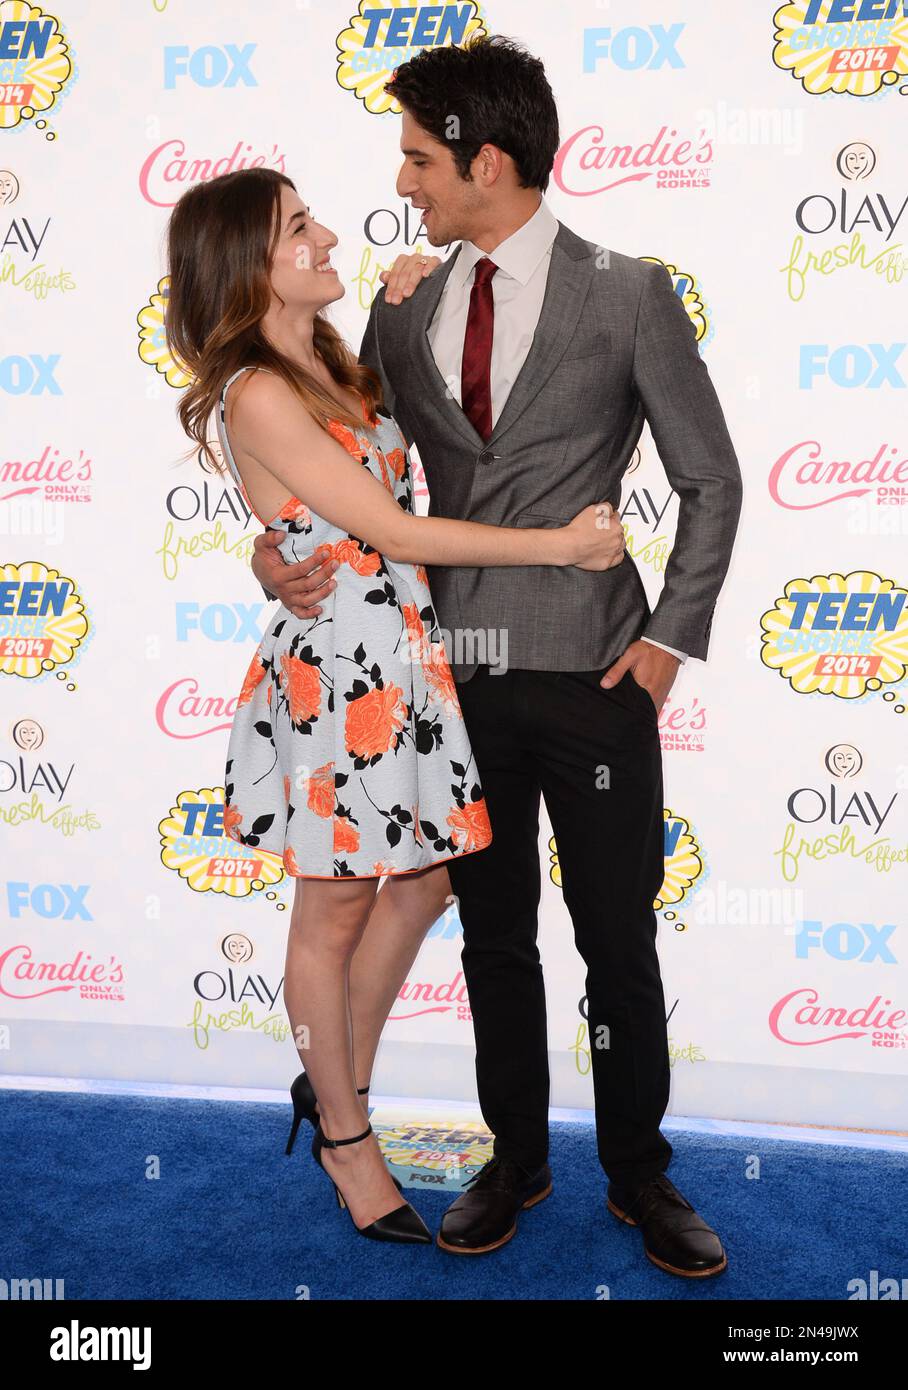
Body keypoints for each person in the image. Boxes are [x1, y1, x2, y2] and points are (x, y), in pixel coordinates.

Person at [253, 35, 743, 1276]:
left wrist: (667, 642)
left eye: (419, 158)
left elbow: (708, 479)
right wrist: (271, 558)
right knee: (490, 940)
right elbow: (347, 478)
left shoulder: (628, 290)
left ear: (487, 157)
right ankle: (512, 1160)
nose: (402, 184)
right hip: (448, 678)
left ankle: (642, 1175)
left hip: (594, 669)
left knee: (616, 936)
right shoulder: (400, 303)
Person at [164, 166, 626, 1248]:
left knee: (418, 886)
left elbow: (326, 509)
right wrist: (561, 546)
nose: (327, 234)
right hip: (340, 677)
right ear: (245, 264)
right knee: (332, 909)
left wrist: (266, 549)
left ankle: (334, 1081)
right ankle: (345, 1136)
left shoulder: (322, 363)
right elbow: (397, 530)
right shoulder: (261, 389)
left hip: (400, 666)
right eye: (296, 228)